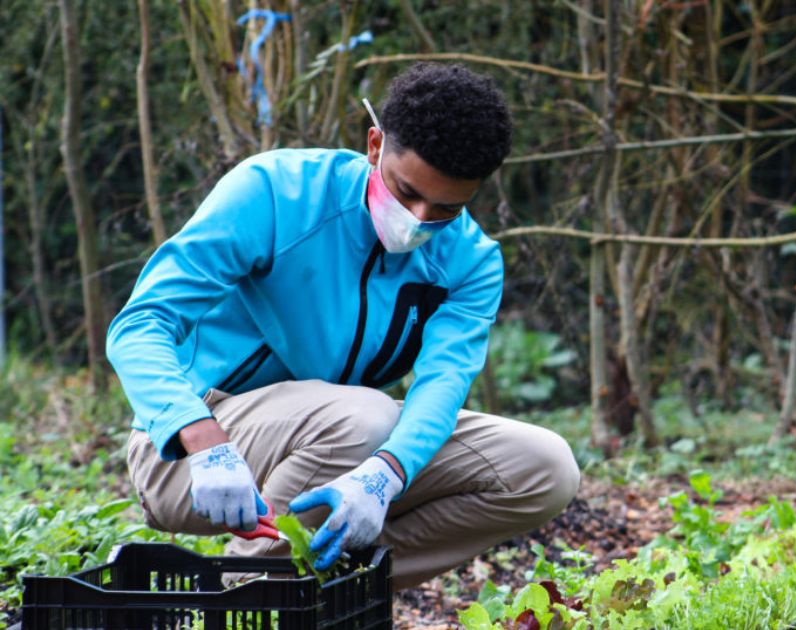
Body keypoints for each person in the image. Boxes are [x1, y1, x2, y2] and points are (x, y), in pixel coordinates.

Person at [108, 62, 580, 589]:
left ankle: (332, 587)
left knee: (543, 468)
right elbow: (141, 324)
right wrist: (201, 438)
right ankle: (249, 601)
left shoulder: (471, 262)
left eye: (446, 209)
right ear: (375, 144)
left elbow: (442, 385)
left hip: (337, 444)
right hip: (188, 454)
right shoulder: (274, 192)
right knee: (363, 419)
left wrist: (386, 474)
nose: (420, 220)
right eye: (406, 192)